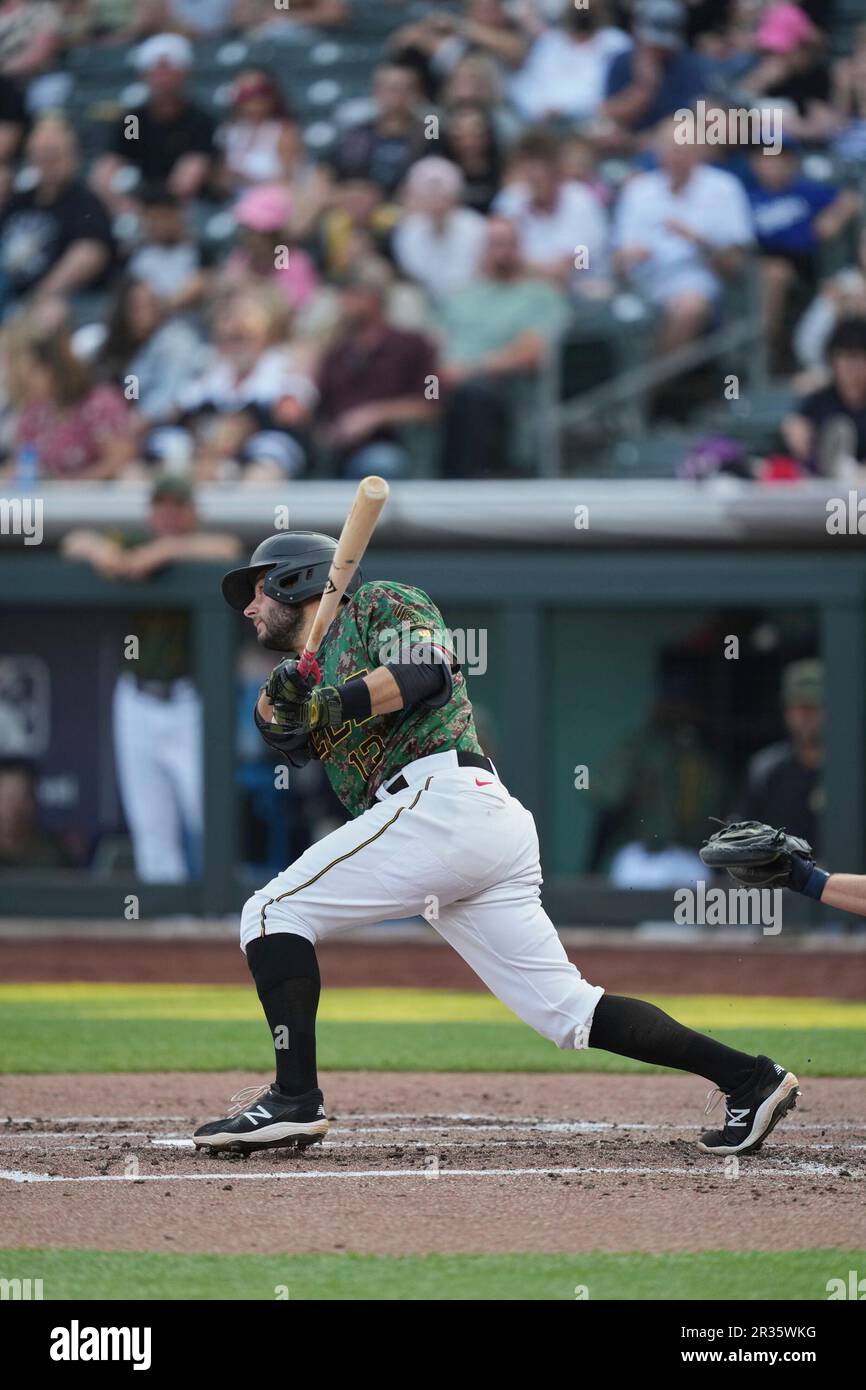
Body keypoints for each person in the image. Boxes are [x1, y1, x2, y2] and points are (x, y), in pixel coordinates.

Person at [192, 530, 800, 1160]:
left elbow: (427, 672)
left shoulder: (379, 604)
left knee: (271, 911)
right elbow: (285, 736)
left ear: (297, 581)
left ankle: (295, 1099)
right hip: (460, 829)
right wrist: (284, 702)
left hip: (443, 801)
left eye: (258, 588)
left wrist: (326, 702)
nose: (249, 606)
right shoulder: (299, 673)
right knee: (569, 1012)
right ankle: (749, 1078)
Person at [60, 474, 241, 883]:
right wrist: (103, 552)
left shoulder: (199, 548)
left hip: (190, 703)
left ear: (194, 512)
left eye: (178, 507)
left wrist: (166, 551)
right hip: (136, 700)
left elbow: (230, 549)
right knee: (151, 823)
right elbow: (74, 540)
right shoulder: (131, 542)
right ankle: (167, 926)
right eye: (161, 507)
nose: (169, 515)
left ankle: (228, 915)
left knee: (207, 813)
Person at [435, 215, 572, 477]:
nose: (502, 252)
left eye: (508, 244)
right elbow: (435, 343)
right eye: (494, 244)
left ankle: (469, 484)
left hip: (506, 390)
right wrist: (441, 372)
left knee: (473, 393)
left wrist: (470, 370)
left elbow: (534, 352)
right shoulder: (461, 295)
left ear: (520, 248)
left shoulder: (540, 295)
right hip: (447, 383)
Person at [612, 121, 753, 360]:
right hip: (644, 281)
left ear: (698, 151)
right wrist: (627, 258)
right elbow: (618, 258)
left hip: (699, 278)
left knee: (688, 307)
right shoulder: (638, 189)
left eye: (681, 149)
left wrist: (696, 239)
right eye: (667, 149)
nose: (674, 157)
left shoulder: (724, 188)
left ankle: (646, 391)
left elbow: (737, 262)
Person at [742, 139, 860, 377]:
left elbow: (851, 199)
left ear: (791, 162)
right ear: (754, 163)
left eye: (778, 157)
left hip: (804, 266)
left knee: (777, 273)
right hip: (754, 266)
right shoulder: (746, 195)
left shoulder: (805, 190)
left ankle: (765, 356)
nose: (772, 163)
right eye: (765, 157)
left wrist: (834, 217)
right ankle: (763, 354)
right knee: (772, 272)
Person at [315, 259, 439, 479]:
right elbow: (320, 414)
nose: (345, 302)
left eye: (352, 293)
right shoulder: (335, 353)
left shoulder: (413, 345)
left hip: (392, 447)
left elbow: (431, 405)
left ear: (375, 298)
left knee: (380, 464)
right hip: (337, 453)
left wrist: (375, 415)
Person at [1, 308, 134, 480]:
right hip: (47, 502)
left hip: (91, 500)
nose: (27, 380)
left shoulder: (99, 404)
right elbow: (20, 466)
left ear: (52, 370)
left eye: (33, 372)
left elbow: (119, 458)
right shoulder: (34, 412)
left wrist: (73, 487)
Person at [92, 33, 214, 210]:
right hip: (140, 201)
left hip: (185, 206)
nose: (162, 78)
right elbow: (112, 163)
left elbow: (188, 179)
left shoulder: (198, 119)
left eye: (168, 69)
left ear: (183, 74)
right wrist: (123, 205)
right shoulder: (134, 120)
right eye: (156, 71)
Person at [0, 117, 114, 305]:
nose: (47, 161)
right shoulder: (19, 200)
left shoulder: (85, 202)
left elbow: (90, 254)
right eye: (40, 154)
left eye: (54, 153)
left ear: (73, 155)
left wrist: (38, 298)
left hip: (55, 302)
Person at [493, 127, 610, 294]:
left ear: (556, 172)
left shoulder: (582, 200)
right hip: (525, 289)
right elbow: (499, 250)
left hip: (578, 288)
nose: (535, 182)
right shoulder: (510, 201)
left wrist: (569, 264)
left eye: (541, 176)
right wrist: (538, 269)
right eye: (529, 177)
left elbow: (589, 256)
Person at [735, 660, 823, 856]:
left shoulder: (853, 769)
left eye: (814, 707)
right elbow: (741, 841)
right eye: (799, 707)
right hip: (784, 881)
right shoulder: (766, 769)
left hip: (845, 881)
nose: (806, 717)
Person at [600, 0, 708, 147]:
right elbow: (608, 112)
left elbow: (692, 116)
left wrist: (649, 139)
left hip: (669, 144)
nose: (657, 47)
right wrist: (644, 88)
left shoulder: (688, 65)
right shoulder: (622, 61)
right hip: (623, 144)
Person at [508, 0, 632, 125]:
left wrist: (571, 112)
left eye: (586, 5)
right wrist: (541, 111)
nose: (581, 7)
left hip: (596, 123)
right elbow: (527, 87)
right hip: (544, 122)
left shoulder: (616, 42)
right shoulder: (550, 42)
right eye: (576, 4)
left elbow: (623, 92)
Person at [392, 157, 487, 303]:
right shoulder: (407, 230)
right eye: (428, 194)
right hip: (426, 302)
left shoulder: (476, 227)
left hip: (471, 299)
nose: (435, 200)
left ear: (455, 196)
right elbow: (415, 275)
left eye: (441, 194)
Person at [327, 62, 430, 196]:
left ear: (417, 94)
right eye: (391, 89)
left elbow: (435, 165)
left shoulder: (429, 127)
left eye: (406, 89)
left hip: (413, 201)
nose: (398, 95)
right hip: (362, 202)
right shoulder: (359, 132)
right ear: (376, 92)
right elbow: (331, 169)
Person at [783, 317, 866, 473]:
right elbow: (797, 427)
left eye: (856, 358)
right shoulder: (819, 400)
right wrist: (796, 433)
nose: (850, 368)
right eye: (843, 358)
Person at [215, 68, 301, 194]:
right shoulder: (227, 132)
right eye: (245, 93)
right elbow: (219, 181)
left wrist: (247, 179)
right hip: (231, 203)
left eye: (260, 92)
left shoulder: (284, 132)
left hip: (273, 204)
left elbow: (291, 181)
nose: (254, 100)